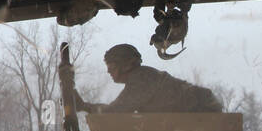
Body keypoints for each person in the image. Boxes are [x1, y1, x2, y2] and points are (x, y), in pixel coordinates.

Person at [64, 44, 223, 113]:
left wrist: (84, 106)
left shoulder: (141, 80)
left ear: (125, 65)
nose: (108, 72)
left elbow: (116, 112)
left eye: (111, 67)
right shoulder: (141, 78)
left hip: (202, 116)